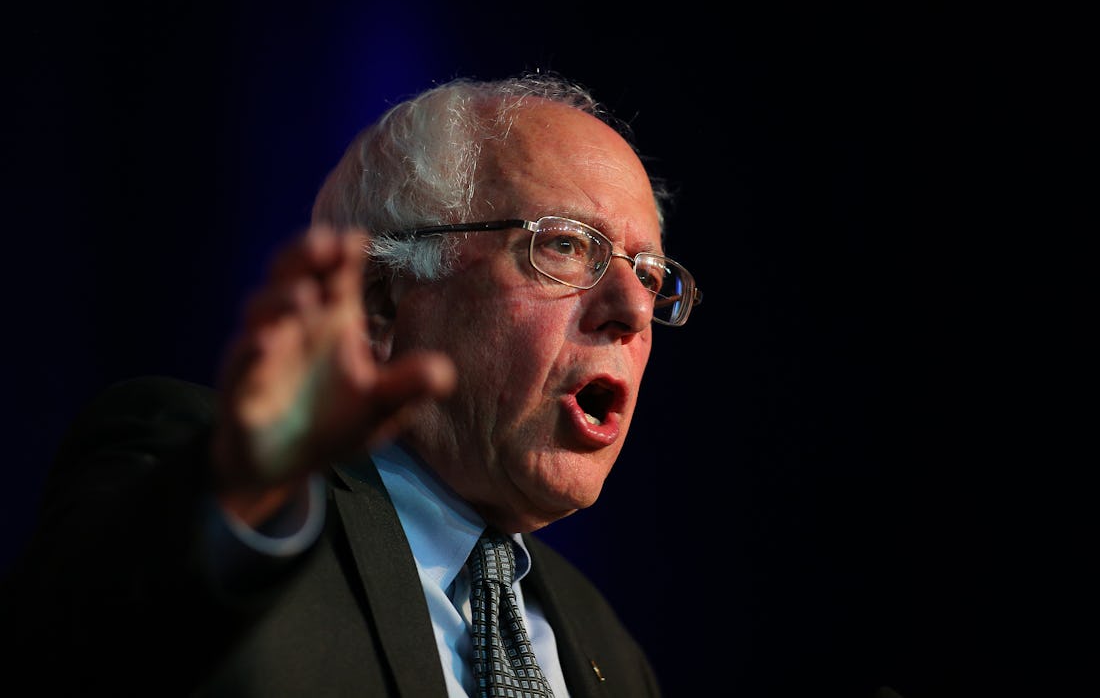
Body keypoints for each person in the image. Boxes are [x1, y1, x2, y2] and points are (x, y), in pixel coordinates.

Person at [1, 73, 701, 696]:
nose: (634, 312)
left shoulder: (604, 643)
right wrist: (243, 489)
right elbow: (75, 650)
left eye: (648, 273)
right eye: (567, 245)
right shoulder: (230, 495)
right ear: (384, 299)